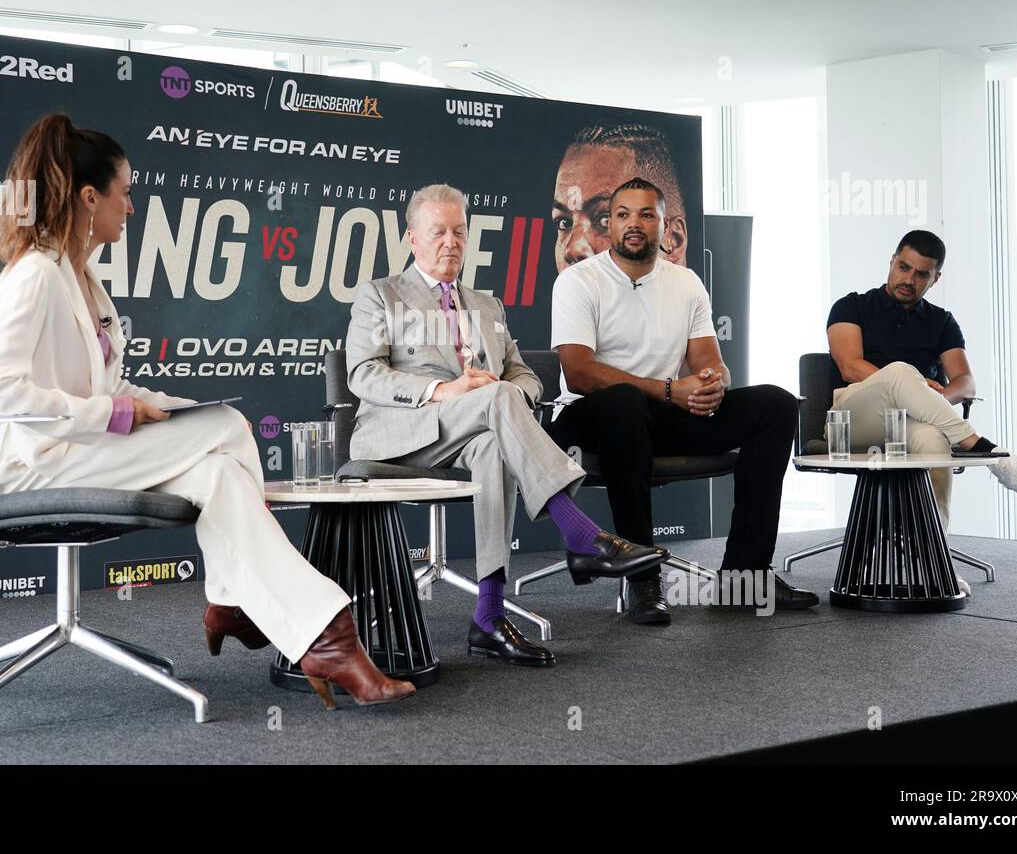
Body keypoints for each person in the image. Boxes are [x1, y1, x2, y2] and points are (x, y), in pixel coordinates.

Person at [0, 113, 413, 709]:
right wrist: (112, 413)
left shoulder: (83, 280)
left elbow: (111, 383)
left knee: (218, 471)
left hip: (77, 451)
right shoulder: (36, 276)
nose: (131, 207)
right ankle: (245, 603)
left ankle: (317, 637)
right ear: (89, 197)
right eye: (124, 194)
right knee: (227, 429)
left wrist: (157, 405)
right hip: (28, 466)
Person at [345, 183, 666, 666]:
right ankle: (581, 535)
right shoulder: (381, 296)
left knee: (496, 437)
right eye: (438, 232)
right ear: (412, 238)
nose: (450, 242)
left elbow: (525, 374)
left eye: (459, 231)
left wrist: (512, 395)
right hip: (401, 434)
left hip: (472, 432)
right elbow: (361, 373)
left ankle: (488, 616)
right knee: (495, 401)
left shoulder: (487, 307)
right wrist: (442, 391)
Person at [550, 177, 818, 625]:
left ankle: (744, 578)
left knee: (774, 404)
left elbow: (710, 362)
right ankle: (643, 579)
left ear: (667, 225)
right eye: (622, 215)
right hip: (591, 417)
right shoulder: (580, 281)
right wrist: (671, 390)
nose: (634, 224)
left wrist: (712, 383)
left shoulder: (686, 282)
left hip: (663, 416)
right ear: (609, 225)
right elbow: (579, 374)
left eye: (646, 215)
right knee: (624, 403)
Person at [827, 230, 1017, 528]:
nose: (909, 280)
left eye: (921, 274)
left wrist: (929, 400)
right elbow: (850, 367)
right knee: (900, 372)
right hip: (853, 421)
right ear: (892, 262)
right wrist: (913, 383)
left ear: (935, 278)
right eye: (904, 268)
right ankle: (988, 451)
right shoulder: (851, 306)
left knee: (933, 438)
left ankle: (936, 560)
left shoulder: (941, 321)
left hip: (913, 420)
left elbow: (966, 382)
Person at [550, 121, 691, 273]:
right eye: (564, 223)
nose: (572, 250)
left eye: (605, 220)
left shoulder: (694, 292)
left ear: (674, 240)